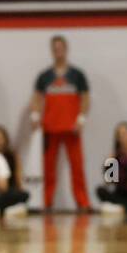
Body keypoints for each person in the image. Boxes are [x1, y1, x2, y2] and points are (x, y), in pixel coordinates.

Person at [31, 35, 92, 212]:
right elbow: (36, 98)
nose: (58, 51)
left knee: (77, 168)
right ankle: (46, 202)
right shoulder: (44, 76)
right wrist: (35, 116)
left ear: (66, 49)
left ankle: (83, 203)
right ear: (52, 51)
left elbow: (86, 98)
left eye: (61, 48)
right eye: (55, 48)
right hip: (50, 128)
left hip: (72, 128)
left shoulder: (77, 75)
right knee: (48, 169)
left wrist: (81, 119)